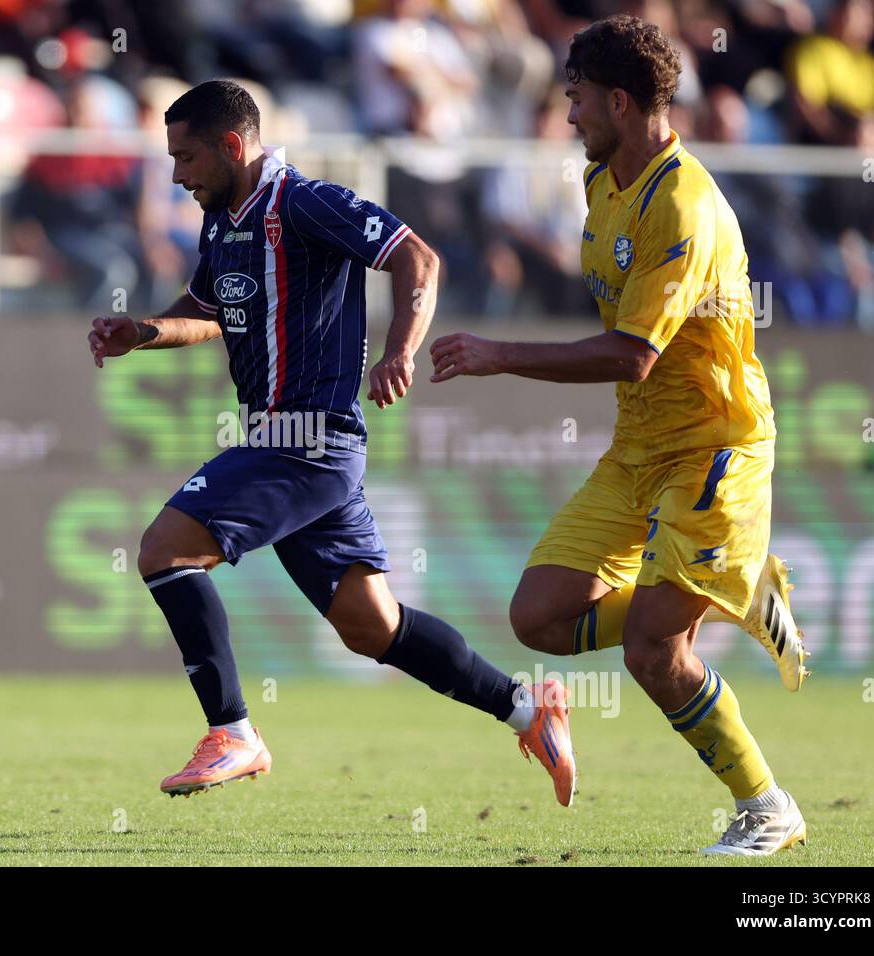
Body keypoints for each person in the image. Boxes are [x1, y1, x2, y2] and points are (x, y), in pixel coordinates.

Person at [87, 80, 577, 805]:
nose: (177, 175)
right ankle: (530, 712)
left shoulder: (306, 201)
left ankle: (233, 732)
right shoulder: (221, 224)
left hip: (308, 438)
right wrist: (144, 332)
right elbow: (208, 308)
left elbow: (418, 257)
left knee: (165, 550)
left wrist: (400, 350)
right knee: (370, 626)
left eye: (187, 157)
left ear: (232, 146)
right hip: (287, 443)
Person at [429, 16, 809, 855]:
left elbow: (633, 355)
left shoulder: (683, 204)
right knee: (539, 616)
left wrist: (498, 354)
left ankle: (767, 805)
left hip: (716, 445)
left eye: (575, 100)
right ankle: (738, 591)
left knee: (652, 650)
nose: (568, 118)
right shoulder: (605, 181)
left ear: (619, 100)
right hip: (638, 448)